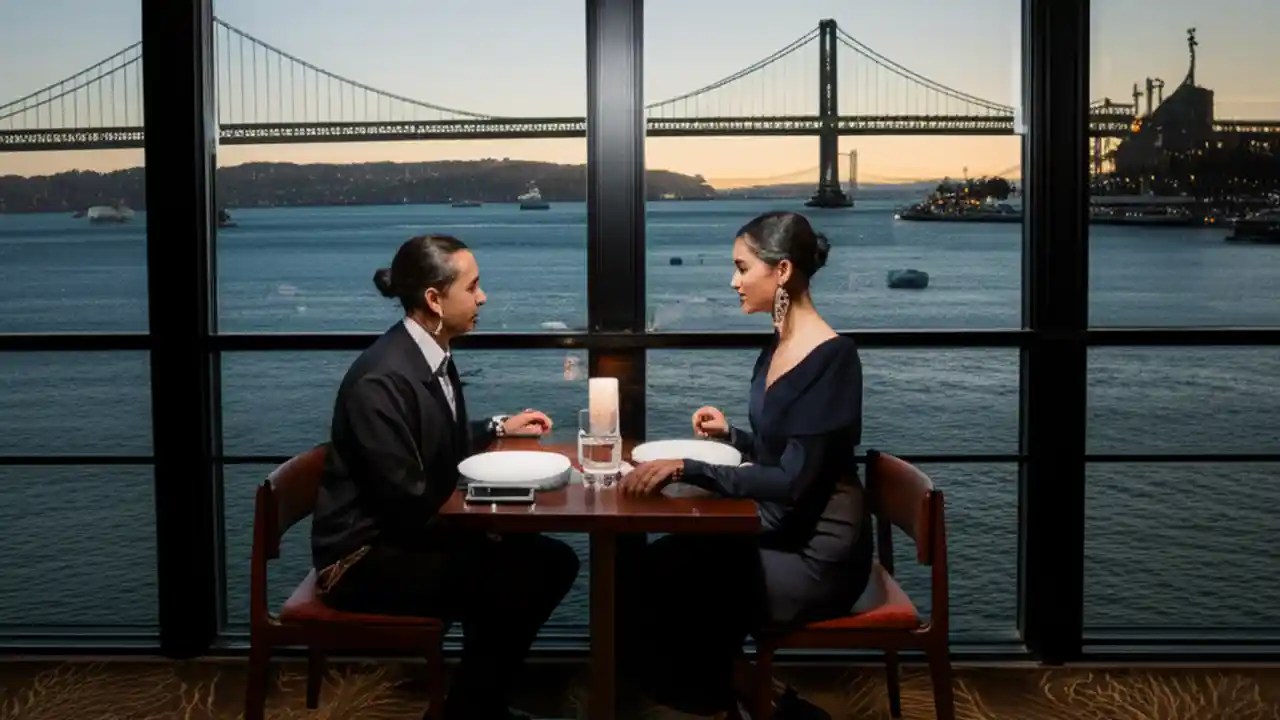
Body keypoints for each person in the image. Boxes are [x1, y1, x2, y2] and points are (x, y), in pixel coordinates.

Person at [310, 234, 580, 720]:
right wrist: (489, 525)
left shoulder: (428, 353)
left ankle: (480, 700)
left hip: (401, 534)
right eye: (473, 286)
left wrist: (497, 428)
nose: (483, 297)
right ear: (434, 299)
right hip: (361, 558)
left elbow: (432, 439)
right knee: (527, 570)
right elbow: (405, 502)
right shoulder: (382, 379)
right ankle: (472, 709)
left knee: (543, 559)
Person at [621, 211, 874, 717]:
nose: (733, 281)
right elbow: (785, 449)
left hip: (816, 554)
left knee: (679, 576)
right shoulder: (779, 344)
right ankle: (737, 693)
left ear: (781, 271)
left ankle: (726, 698)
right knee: (657, 563)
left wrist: (689, 468)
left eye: (741, 268)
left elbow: (794, 480)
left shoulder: (833, 359)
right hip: (784, 529)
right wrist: (732, 436)